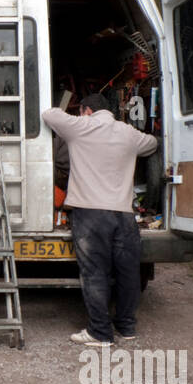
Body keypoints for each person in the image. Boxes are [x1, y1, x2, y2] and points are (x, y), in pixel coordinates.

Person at [41, 93, 158, 347]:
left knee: (95, 273)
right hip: (124, 214)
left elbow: (49, 114)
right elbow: (152, 144)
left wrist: (78, 118)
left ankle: (100, 333)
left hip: (90, 213)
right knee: (128, 273)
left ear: (85, 110)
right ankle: (126, 327)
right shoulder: (128, 133)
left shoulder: (80, 126)